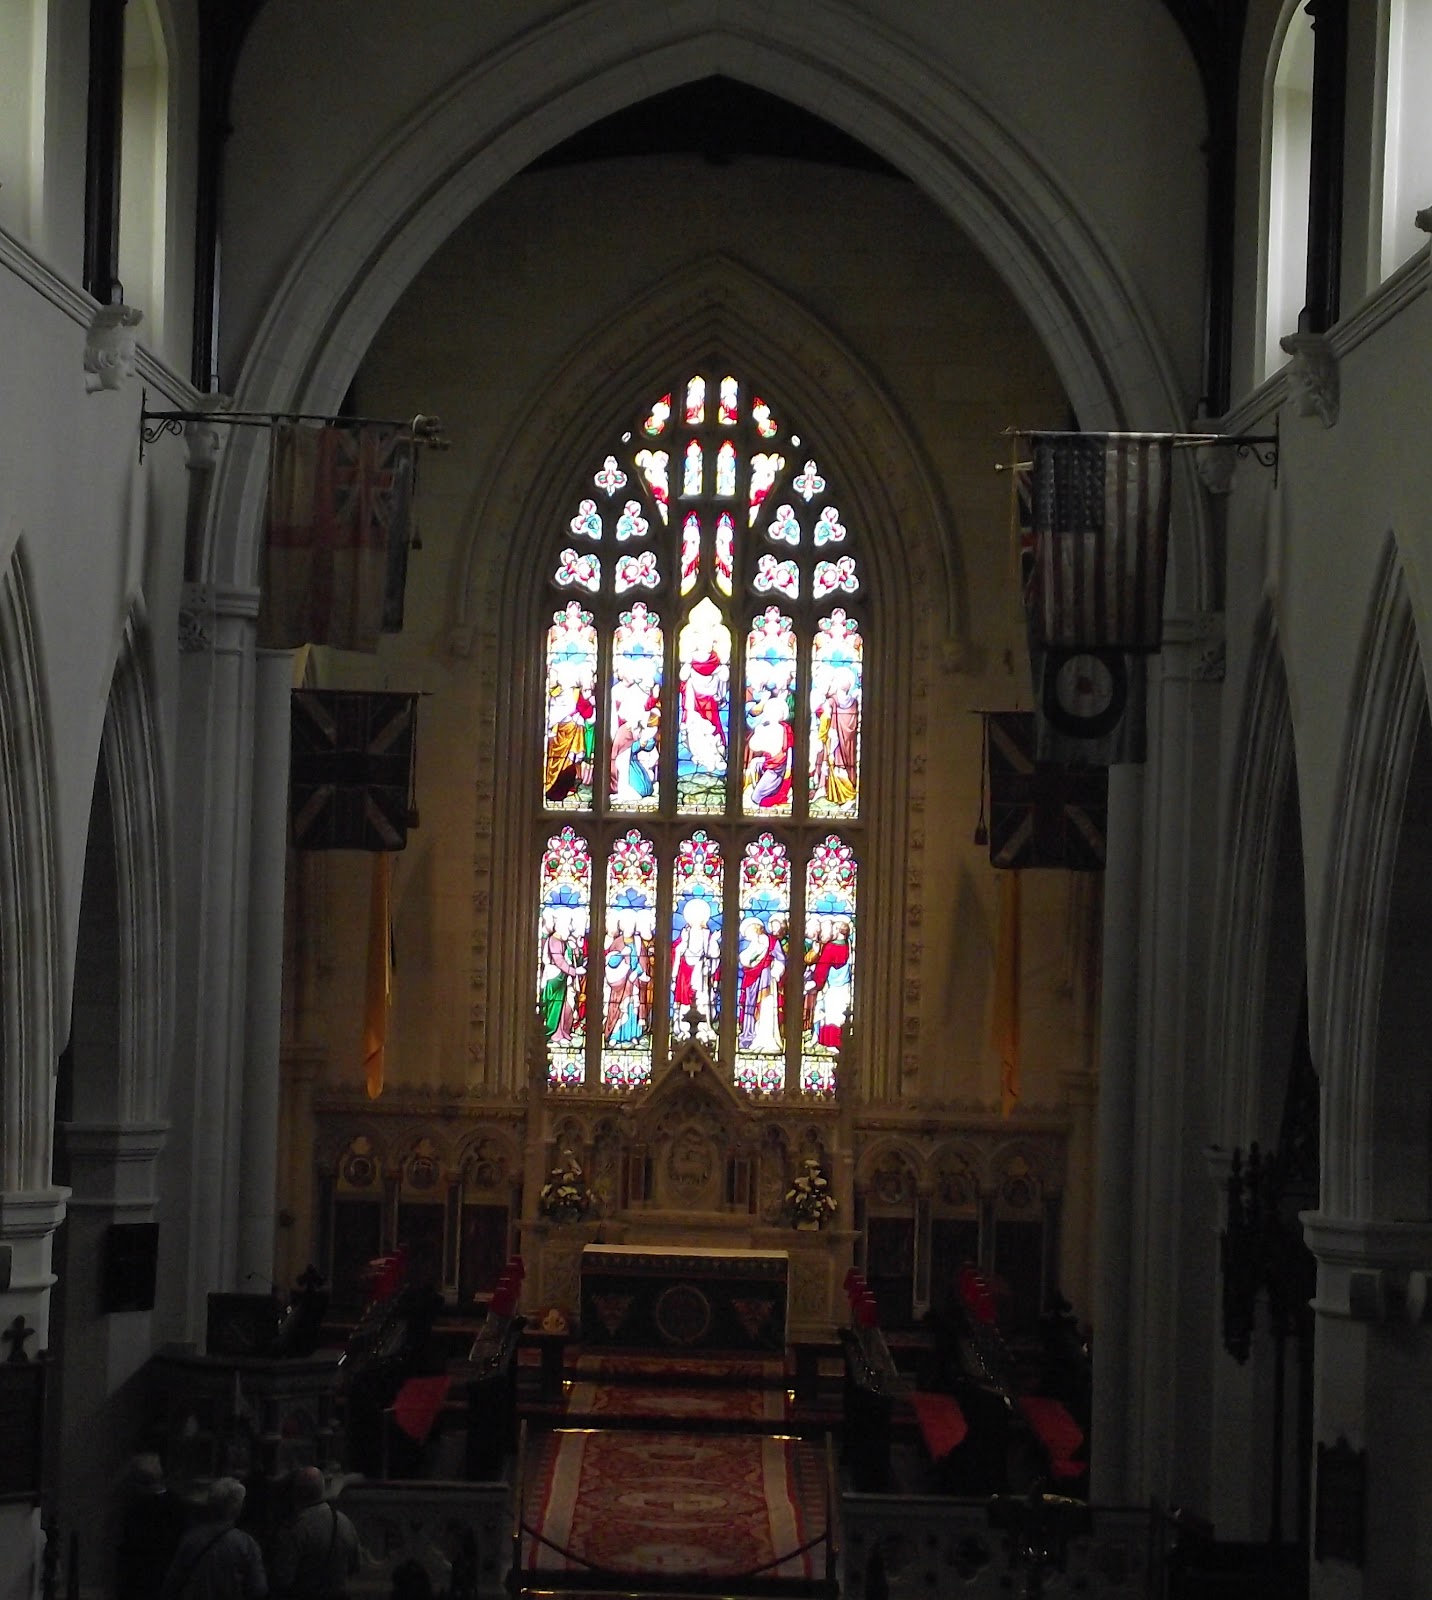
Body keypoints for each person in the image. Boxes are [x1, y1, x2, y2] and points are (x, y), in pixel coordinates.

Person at [160, 1478, 266, 1600]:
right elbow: (259, 1588)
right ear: (237, 1508)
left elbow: (172, 1582)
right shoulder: (246, 1544)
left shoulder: (191, 1538)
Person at [267, 1467, 360, 1600]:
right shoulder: (344, 1521)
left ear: (297, 1492)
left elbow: (282, 1579)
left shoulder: (295, 1528)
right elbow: (355, 1566)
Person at [116, 1454, 189, 1600]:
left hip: (141, 1581)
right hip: (170, 1578)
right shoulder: (178, 1504)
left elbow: (131, 1547)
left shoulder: (137, 1508)